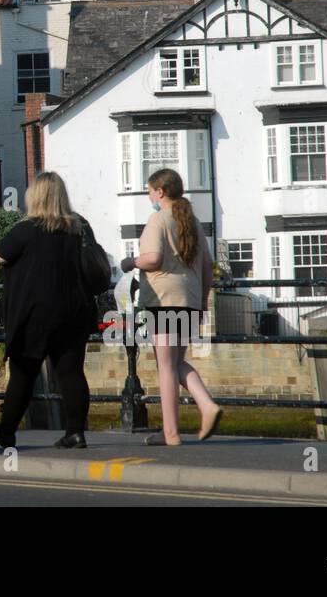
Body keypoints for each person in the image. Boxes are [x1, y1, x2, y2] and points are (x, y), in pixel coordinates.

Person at [0, 171, 96, 450]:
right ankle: (75, 433)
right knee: (71, 372)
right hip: (74, 310)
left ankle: (6, 432)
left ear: (35, 197)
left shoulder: (27, 229)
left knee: (23, 373)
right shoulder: (79, 227)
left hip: (35, 313)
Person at [120, 167, 222, 446]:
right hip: (189, 298)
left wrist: (130, 263)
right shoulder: (193, 223)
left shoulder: (159, 219)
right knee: (177, 363)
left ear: (160, 191)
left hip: (163, 299)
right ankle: (207, 405)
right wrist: (201, 303)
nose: (149, 196)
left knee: (165, 366)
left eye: (150, 191)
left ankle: (171, 434)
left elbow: (152, 258)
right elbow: (207, 267)